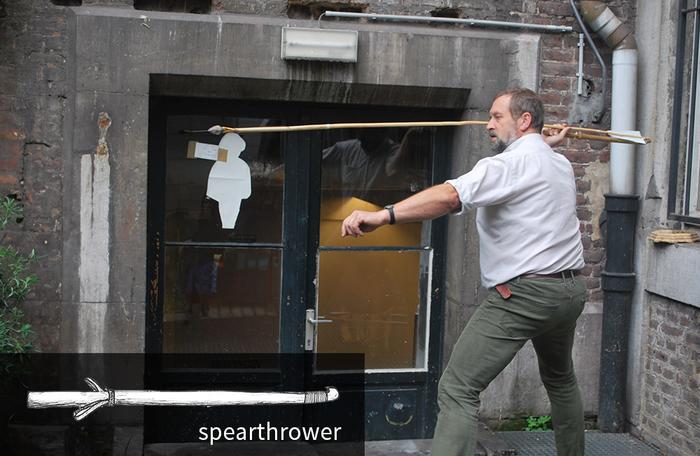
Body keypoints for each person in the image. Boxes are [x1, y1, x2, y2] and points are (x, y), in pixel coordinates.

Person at [341, 88, 586, 456]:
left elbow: (449, 196)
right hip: (568, 293)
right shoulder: (558, 163)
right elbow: (533, 156)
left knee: (457, 389)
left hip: (525, 296)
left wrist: (382, 215)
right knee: (562, 380)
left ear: (523, 121)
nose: (489, 125)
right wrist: (540, 141)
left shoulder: (506, 165)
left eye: (497, 117)